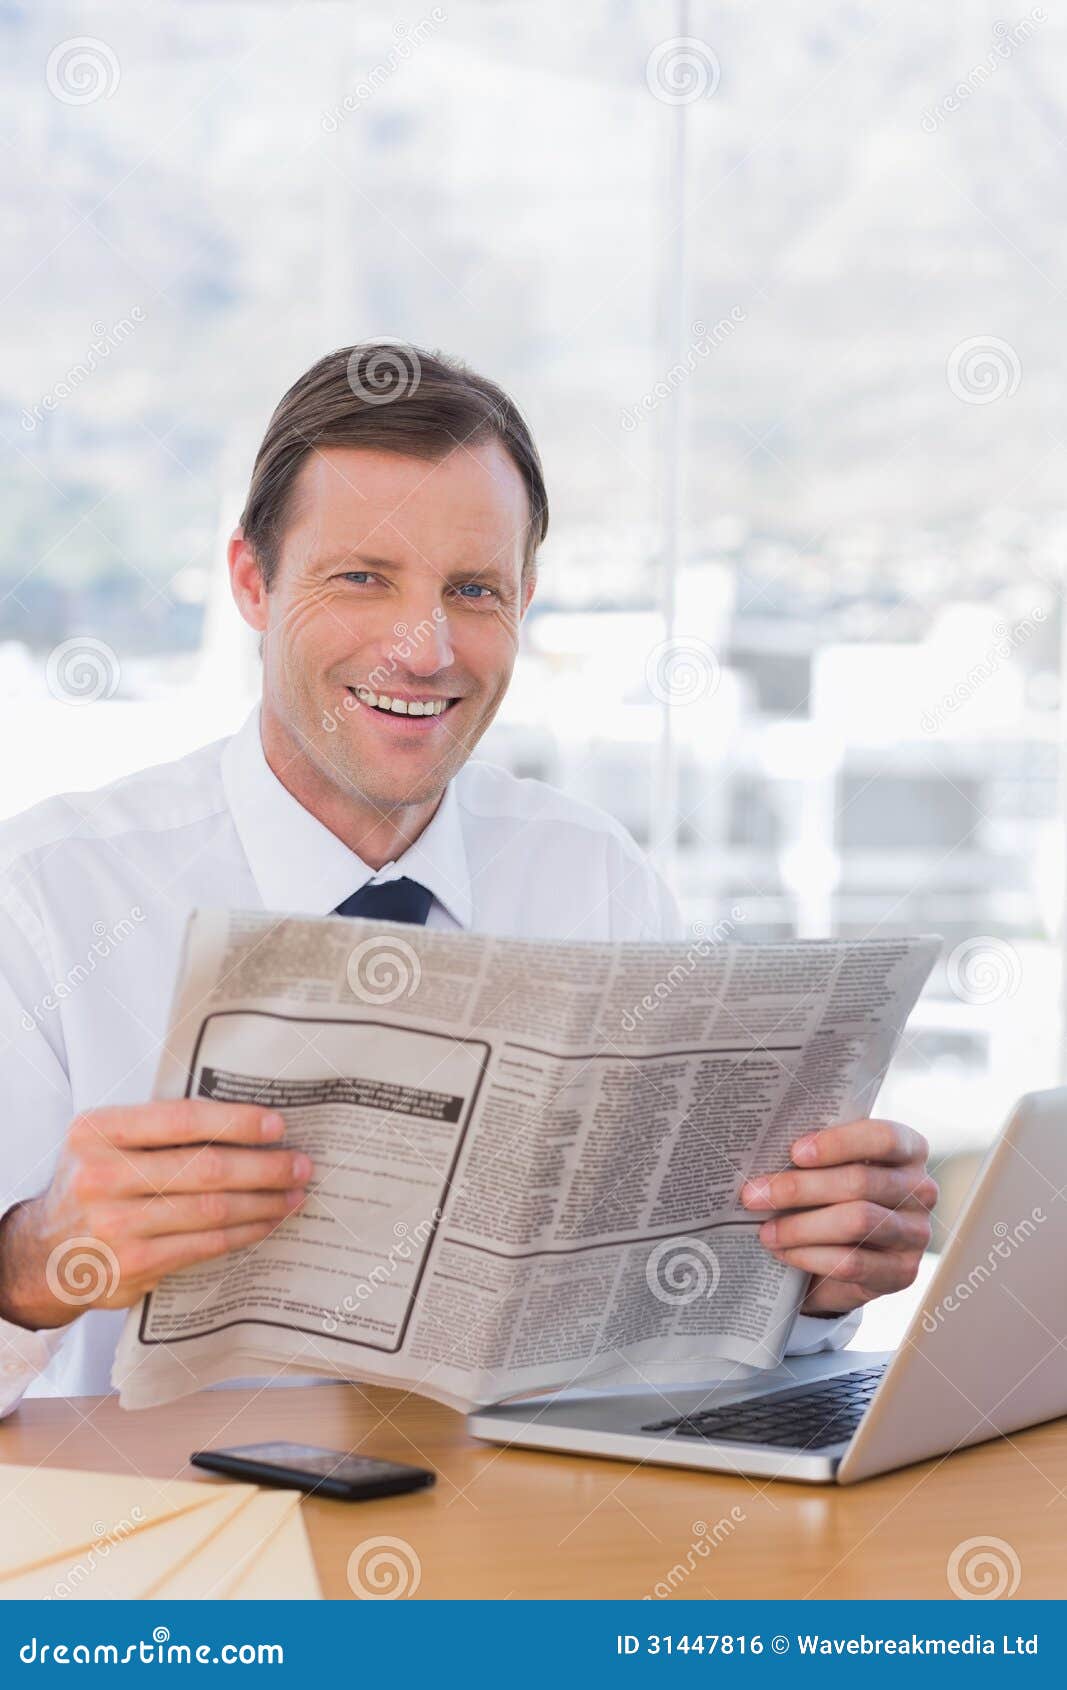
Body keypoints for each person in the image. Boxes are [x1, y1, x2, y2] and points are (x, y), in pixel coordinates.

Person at [0, 343, 936, 1406]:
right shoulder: (47, 897)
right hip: (172, 1549)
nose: (423, 647)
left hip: (521, 1542)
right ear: (252, 582)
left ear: (522, 602)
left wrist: (811, 1278)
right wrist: (34, 1263)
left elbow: (682, 1340)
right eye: (362, 578)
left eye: (473, 590)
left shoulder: (596, 881)